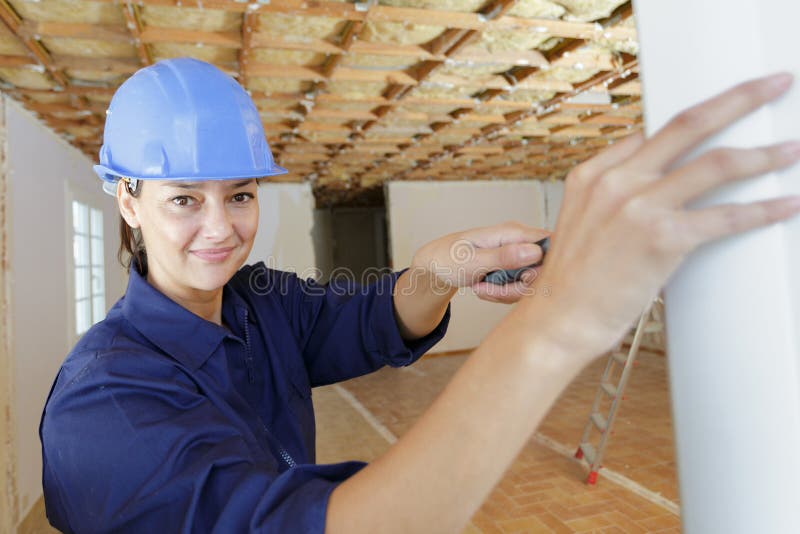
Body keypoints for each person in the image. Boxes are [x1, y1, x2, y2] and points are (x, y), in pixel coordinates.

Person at [39, 57, 800, 533]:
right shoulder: (103, 408)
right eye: (184, 200)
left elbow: (366, 315)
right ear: (129, 201)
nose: (221, 228)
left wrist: (447, 266)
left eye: (239, 195)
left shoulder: (257, 300)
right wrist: (561, 319)